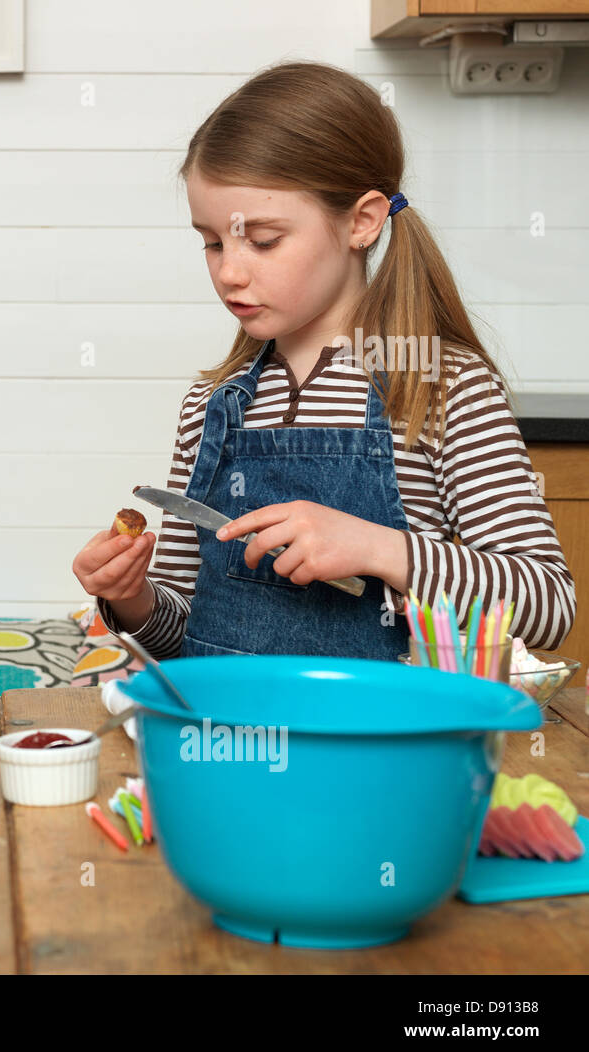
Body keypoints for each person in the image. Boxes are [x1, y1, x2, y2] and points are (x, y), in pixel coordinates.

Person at [73, 62, 574, 659]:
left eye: (263, 240)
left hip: (383, 741)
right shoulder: (213, 406)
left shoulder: (442, 386)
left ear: (361, 221)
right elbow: (188, 633)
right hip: (234, 738)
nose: (229, 271)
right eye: (211, 241)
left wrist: (379, 548)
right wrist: (132, 600)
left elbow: (547, 605)